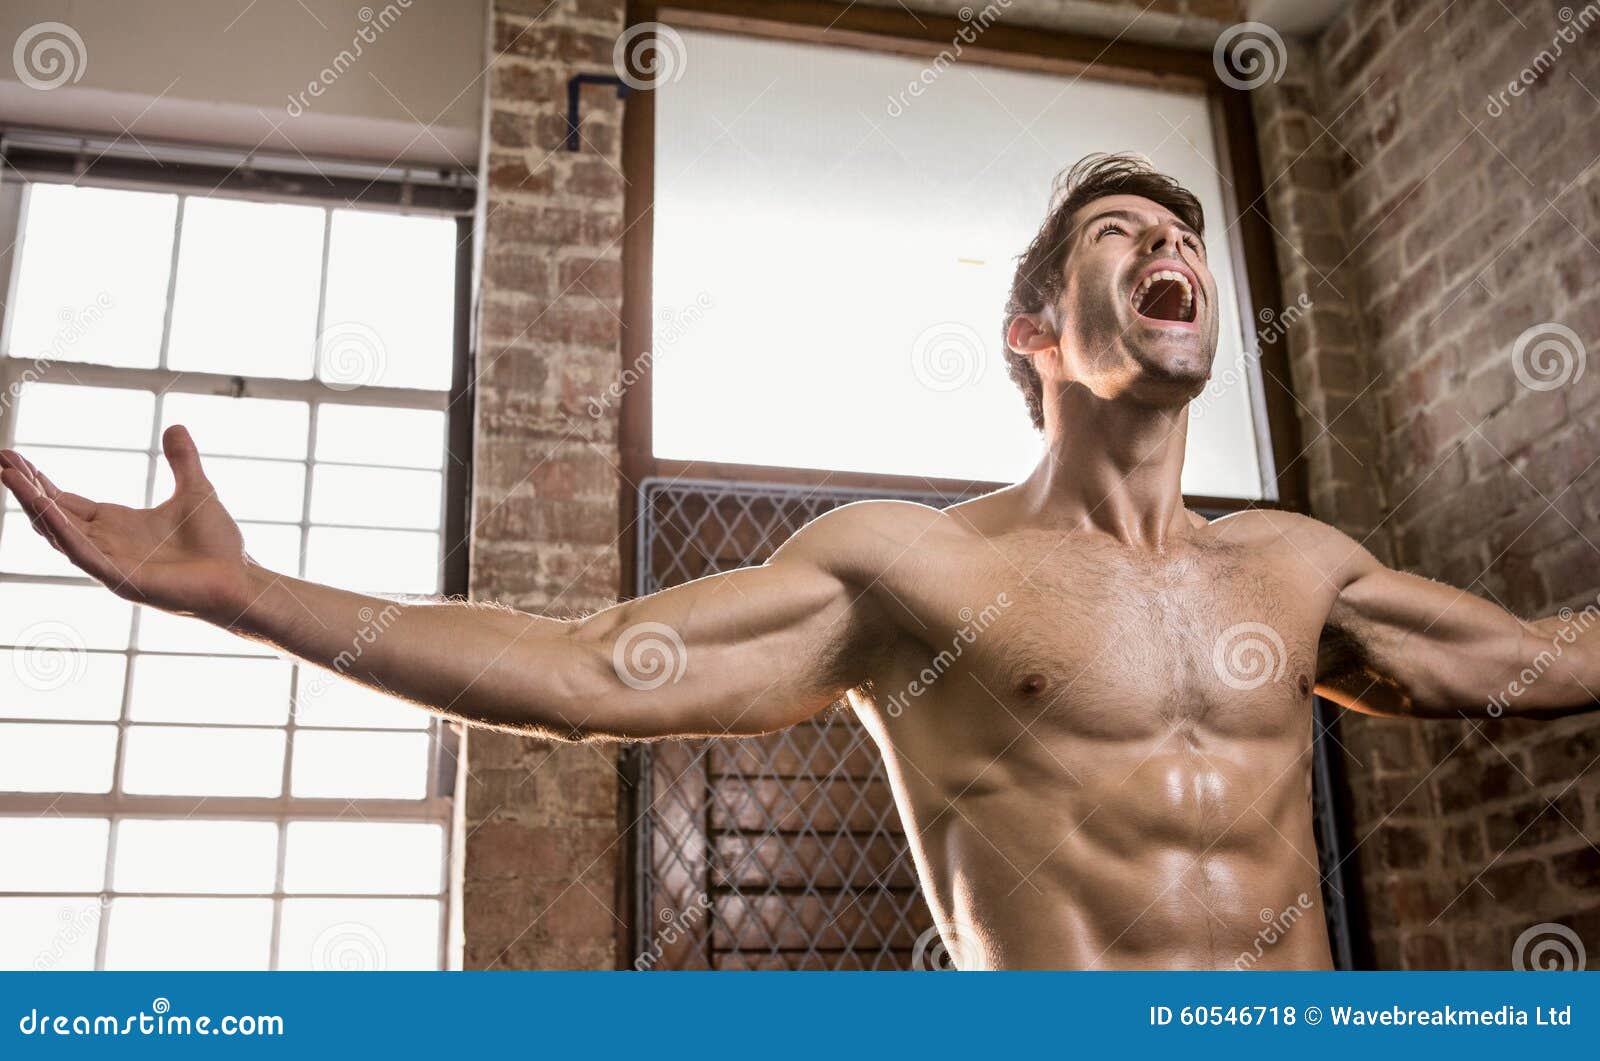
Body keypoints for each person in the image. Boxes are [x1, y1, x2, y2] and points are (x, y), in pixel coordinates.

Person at [4, 154, 1595, 970]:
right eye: (1123, 236)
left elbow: (1540, 661)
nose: (1169, 253)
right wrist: (249, 593)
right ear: (1036, 333)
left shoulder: (1303, 570)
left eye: (1183, 241)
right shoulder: (918, 576)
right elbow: (581, 673)